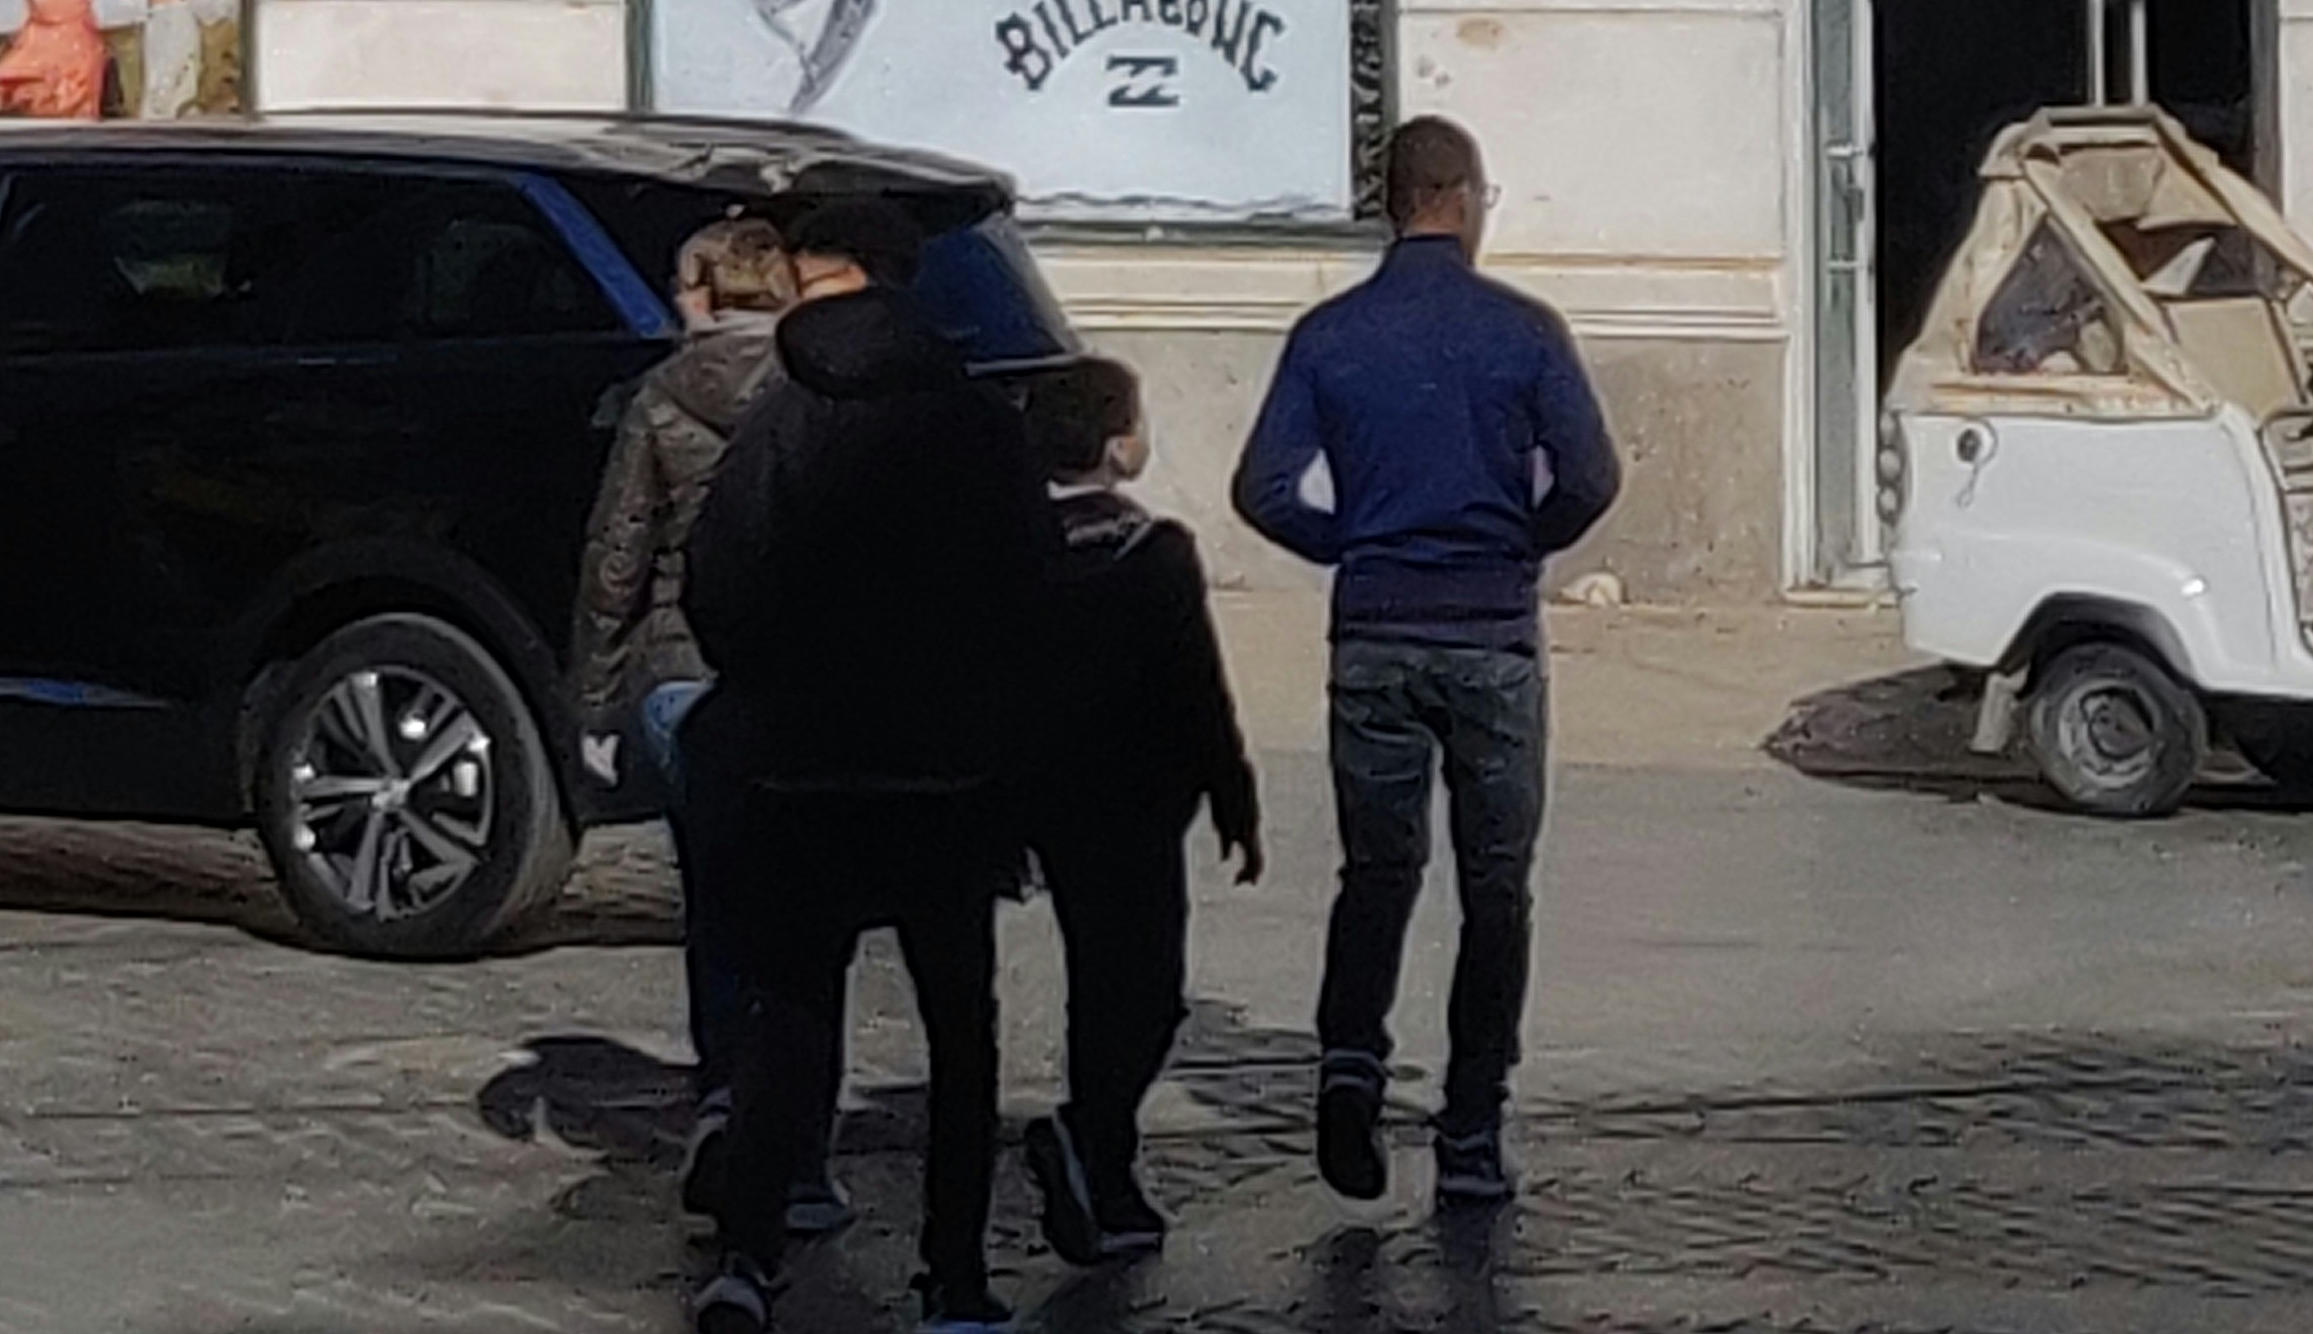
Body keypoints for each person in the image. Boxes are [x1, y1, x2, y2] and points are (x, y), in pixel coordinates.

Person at [679, 189, 1051, 1334]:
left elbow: (719, 586)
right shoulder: (978, 419)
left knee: (787, 1012)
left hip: (800, 760)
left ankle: (747, 1256)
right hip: (945, 768)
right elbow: (1029, 594)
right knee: (960, 1027)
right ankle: (954, 1275)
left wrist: (772, 690)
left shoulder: (780, 414)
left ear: (806, 273)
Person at [1233, 115, 1618, 1212]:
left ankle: (1351, 1063)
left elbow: (1263, 491)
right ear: (1462, 196)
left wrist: (1351, 547)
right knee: (1496, 890)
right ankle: (1469, 1126)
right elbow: (1590, 476)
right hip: (1491, 637)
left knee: (1377, 874)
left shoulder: (1329, 335)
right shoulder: (1524, 330)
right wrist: (1518, 542)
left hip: (1375, 635)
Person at [1018, 354, 1262, 1271]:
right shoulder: (1154, 551)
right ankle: (1094, 1140)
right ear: (1122, 446)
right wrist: (1234, 794)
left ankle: (1099, 1154)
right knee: (1147, 989)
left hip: (1048, 794)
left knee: (1099, 977)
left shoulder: (1014, 545)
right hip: (1138, 801)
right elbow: (1199, 684)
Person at [570, 215, 800, 1140]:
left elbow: (617, 553)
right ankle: (791, 1112)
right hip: (787, 674)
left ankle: (721, 1090)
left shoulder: (661, 392)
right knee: (793, 905)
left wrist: (592, 698)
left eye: (679, 282)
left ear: (705, 292)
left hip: (676, 669)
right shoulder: (812, 388)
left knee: (712, 893)